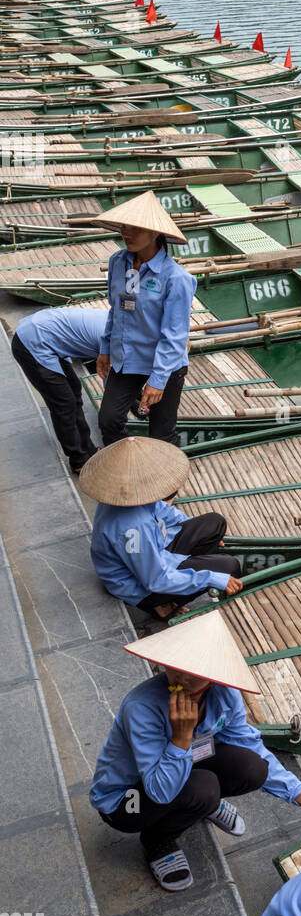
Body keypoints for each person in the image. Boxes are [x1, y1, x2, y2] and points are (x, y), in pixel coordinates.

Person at [90, 610, 301, 891]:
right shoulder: (141, 708)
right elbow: (159, 790)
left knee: (252, 768)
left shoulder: (224, 695)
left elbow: (249, 745)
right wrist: (181, 736)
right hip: (126, 800)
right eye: (175, 666)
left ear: (213, 677)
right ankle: (158, 840)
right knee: (204, 789)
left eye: (193, 673)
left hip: (182, 769)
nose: (179, 677)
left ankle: (198, 804)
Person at [81, 436, 241, 619]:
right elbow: (155, 580)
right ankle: (159, 603)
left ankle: (188, 571)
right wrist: (212, 577)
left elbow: (164, 510)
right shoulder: (135, 528)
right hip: (141, 584)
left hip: (158, 552)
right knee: (229, 566)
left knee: (214, 523)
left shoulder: (124, 494)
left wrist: (196, 530)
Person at [92, 190, 195, 447]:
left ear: (154, 233)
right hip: (125, 360)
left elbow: (174, 336)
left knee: (161, 434)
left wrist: (158, 381)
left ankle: (165, 488)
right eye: (125, 227)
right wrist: (105, 350)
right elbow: (115, 310)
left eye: (135, 228)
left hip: (164, 366)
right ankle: (128, 469)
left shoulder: (176, 279)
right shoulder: (118, 262)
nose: (127, 233)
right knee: (109, 420)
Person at [10, 305, 107, 473]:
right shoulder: (118, 341)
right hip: (32, 342)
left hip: (49, 335)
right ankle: (78, 460)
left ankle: (88, 449)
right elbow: (111, 381)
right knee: (64, 403)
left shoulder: (123, 325)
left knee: (75, 390)